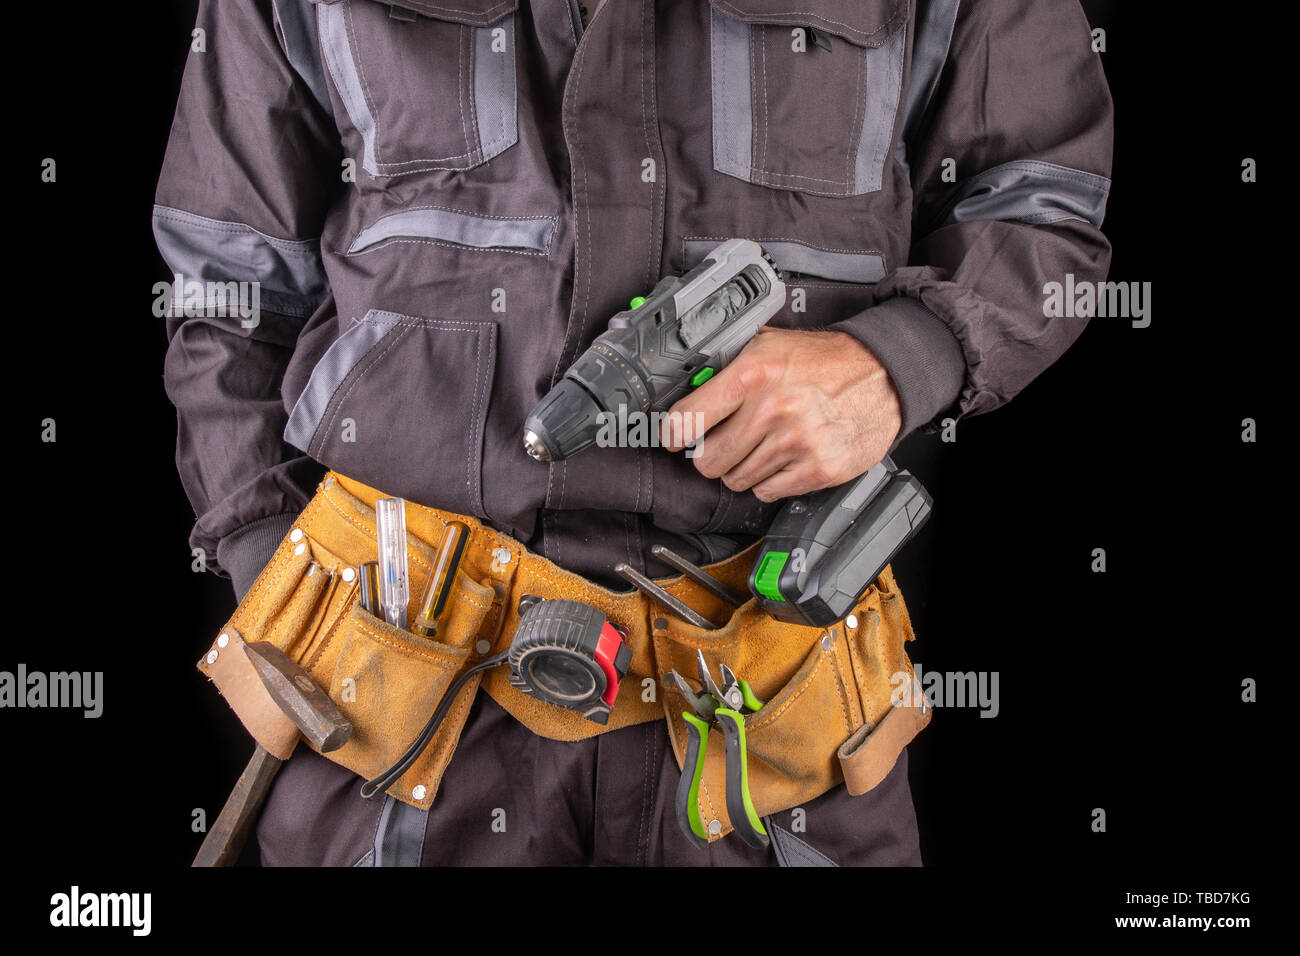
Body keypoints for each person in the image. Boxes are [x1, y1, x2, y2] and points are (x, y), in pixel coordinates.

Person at [156, 0, 1112, 866]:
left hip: (773, 728)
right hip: (395, 730)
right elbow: (228, 284)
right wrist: (285, 591)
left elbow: (1041, 199)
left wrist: (897, 362)